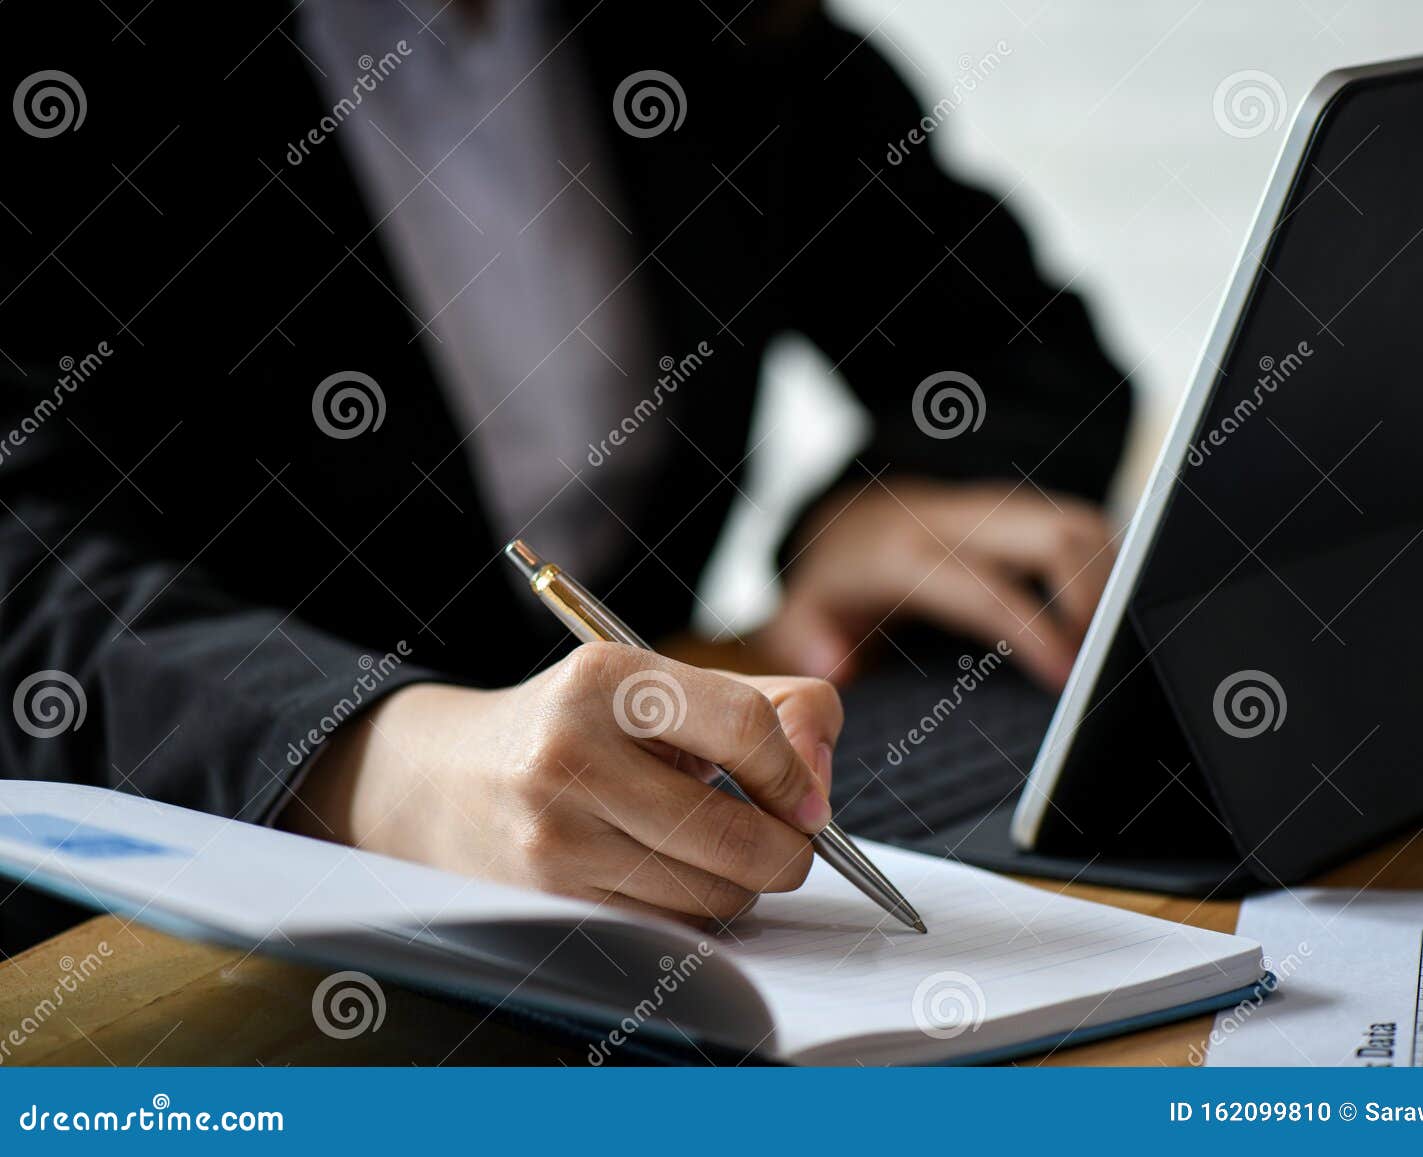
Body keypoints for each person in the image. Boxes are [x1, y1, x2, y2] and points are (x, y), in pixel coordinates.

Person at [0, 1, 1129, 941]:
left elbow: (1016, 348)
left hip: (669, 867)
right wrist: (374, 757)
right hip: (160, 928)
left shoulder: (716, 30)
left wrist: (872, 511)